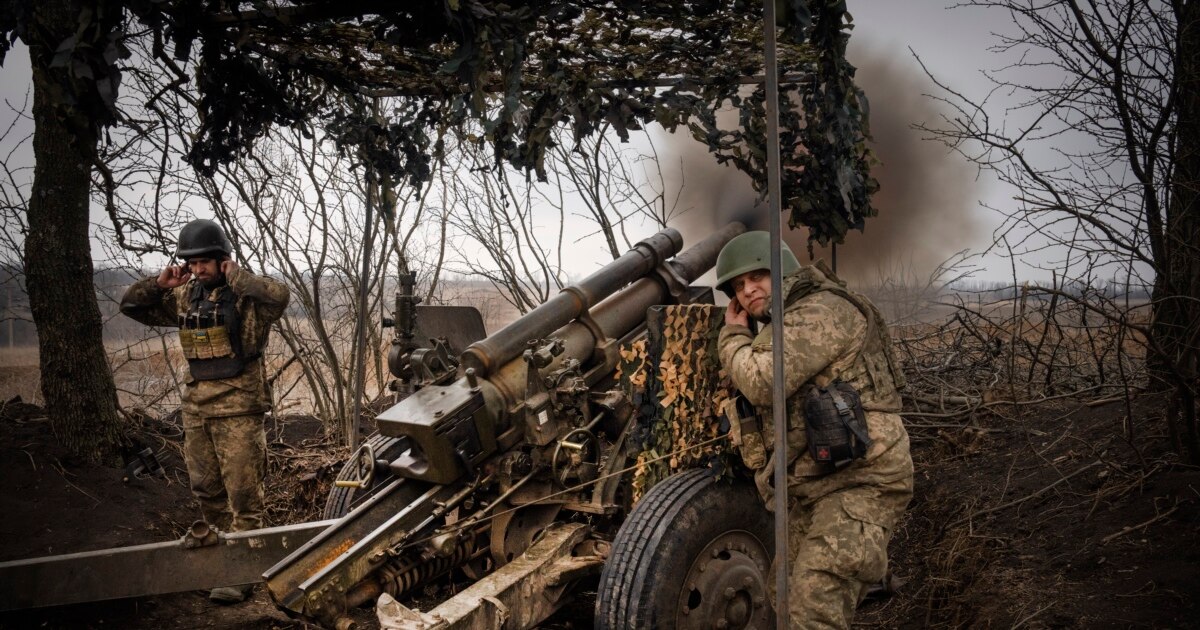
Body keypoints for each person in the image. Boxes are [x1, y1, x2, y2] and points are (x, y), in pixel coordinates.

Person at [715, 231, 913, 629]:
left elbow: (762, 380)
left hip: (862, 483)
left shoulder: (821, 311)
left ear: (783, 270)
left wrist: (733, 335)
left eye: (757, 277)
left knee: (812, 609)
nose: (749, 290)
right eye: (739, 286)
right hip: (816, 486)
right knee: (782, 599)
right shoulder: (786, 323)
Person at [120, 218, 289, 604]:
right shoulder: (185, 296)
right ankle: (219, 564)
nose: (197, 269)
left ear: (222, 259)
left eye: (204, 263)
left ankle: (243, 571)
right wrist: (160, 284)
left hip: (239, 409)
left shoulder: (247, 299)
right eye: (191, 263)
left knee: (244, 496)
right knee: (208, 492)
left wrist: (239, 278)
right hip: (197, 408)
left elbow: (280, 296)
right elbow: (130, 306)